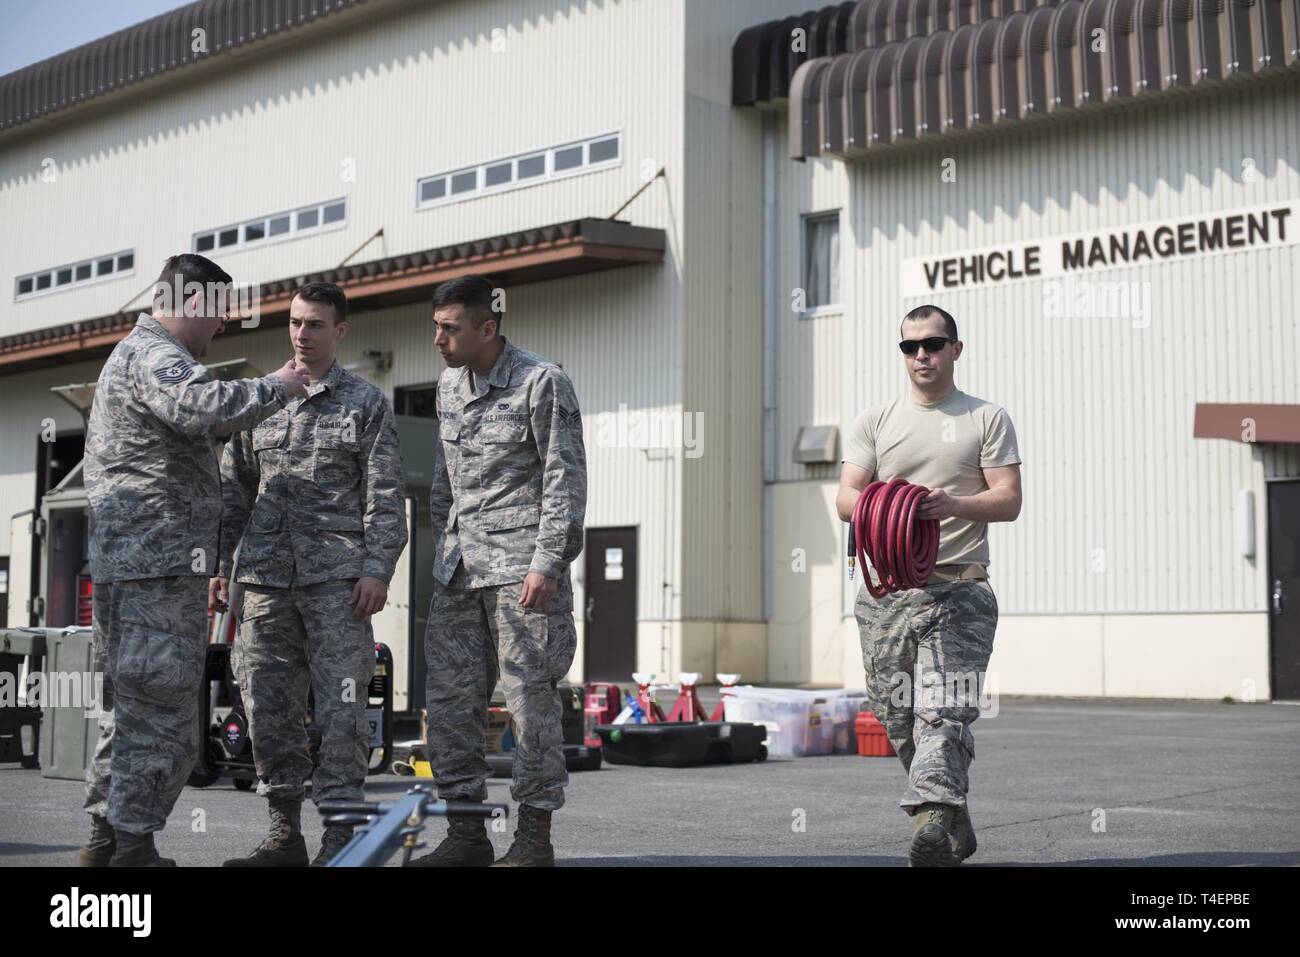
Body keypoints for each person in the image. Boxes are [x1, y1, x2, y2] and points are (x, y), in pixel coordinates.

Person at [81, 253, 309, 867]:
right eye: (220, 315)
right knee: (162, 712)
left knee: (131, 709)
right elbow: (205, 406)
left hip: (140, 565)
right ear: (193, 305)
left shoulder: (135, 354)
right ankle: (132, 848)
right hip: (155, 569)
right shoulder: (156, 355)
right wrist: (278, 388)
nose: (223, 329)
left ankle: (105, 843)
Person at [212, 282, 408, 867]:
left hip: (338, 588)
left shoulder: (365, 404)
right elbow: (233, 491)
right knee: (268, 709)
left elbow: (386, 497)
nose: (302, 334)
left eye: (315, 324)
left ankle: (342, 838)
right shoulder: (260, 400)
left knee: (343, 713)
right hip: (266, 584)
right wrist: (224, 568)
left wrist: (377, 570)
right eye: (296, 322)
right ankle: (283, 833)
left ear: (340, 332)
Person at [836, 304, 1022, 867]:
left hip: (959, 590)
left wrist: (950, 504)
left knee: (944, 710)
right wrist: (886, 503)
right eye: (910, 346)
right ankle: (949, 814)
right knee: (896, 714)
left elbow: (1008, 499)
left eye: (934, 344)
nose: (922, 355)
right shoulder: (876, 421)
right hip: (886, 592)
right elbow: (846, 498)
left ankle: (934, 824)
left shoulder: (986, 418)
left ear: (955, 350)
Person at [410, 275, 586, 868]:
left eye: (449, 327)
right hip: (459, 574)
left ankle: (534, 839)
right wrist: (442, 550)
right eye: (435, 325)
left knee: (529, 707)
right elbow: (444, 480)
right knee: (452, 706)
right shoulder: (448, 386)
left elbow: (565, 478)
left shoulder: (542, 381)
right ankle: (466, 836)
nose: (437, 337)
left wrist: (546, 563)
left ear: (487, 328)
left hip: (522, 577)